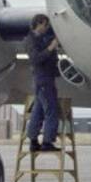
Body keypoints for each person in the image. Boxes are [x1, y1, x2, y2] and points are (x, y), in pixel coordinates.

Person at [25, 13, 62, 151]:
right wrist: (51, 48)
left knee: (38, 110)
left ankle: (33, 140)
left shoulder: (41, 39)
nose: (46, 28)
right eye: (45, 25)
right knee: (51, 110)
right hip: (44, 80)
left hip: (45, 78)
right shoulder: (31, 40)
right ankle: (47, 142)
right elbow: (35, 59)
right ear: (39, 23)